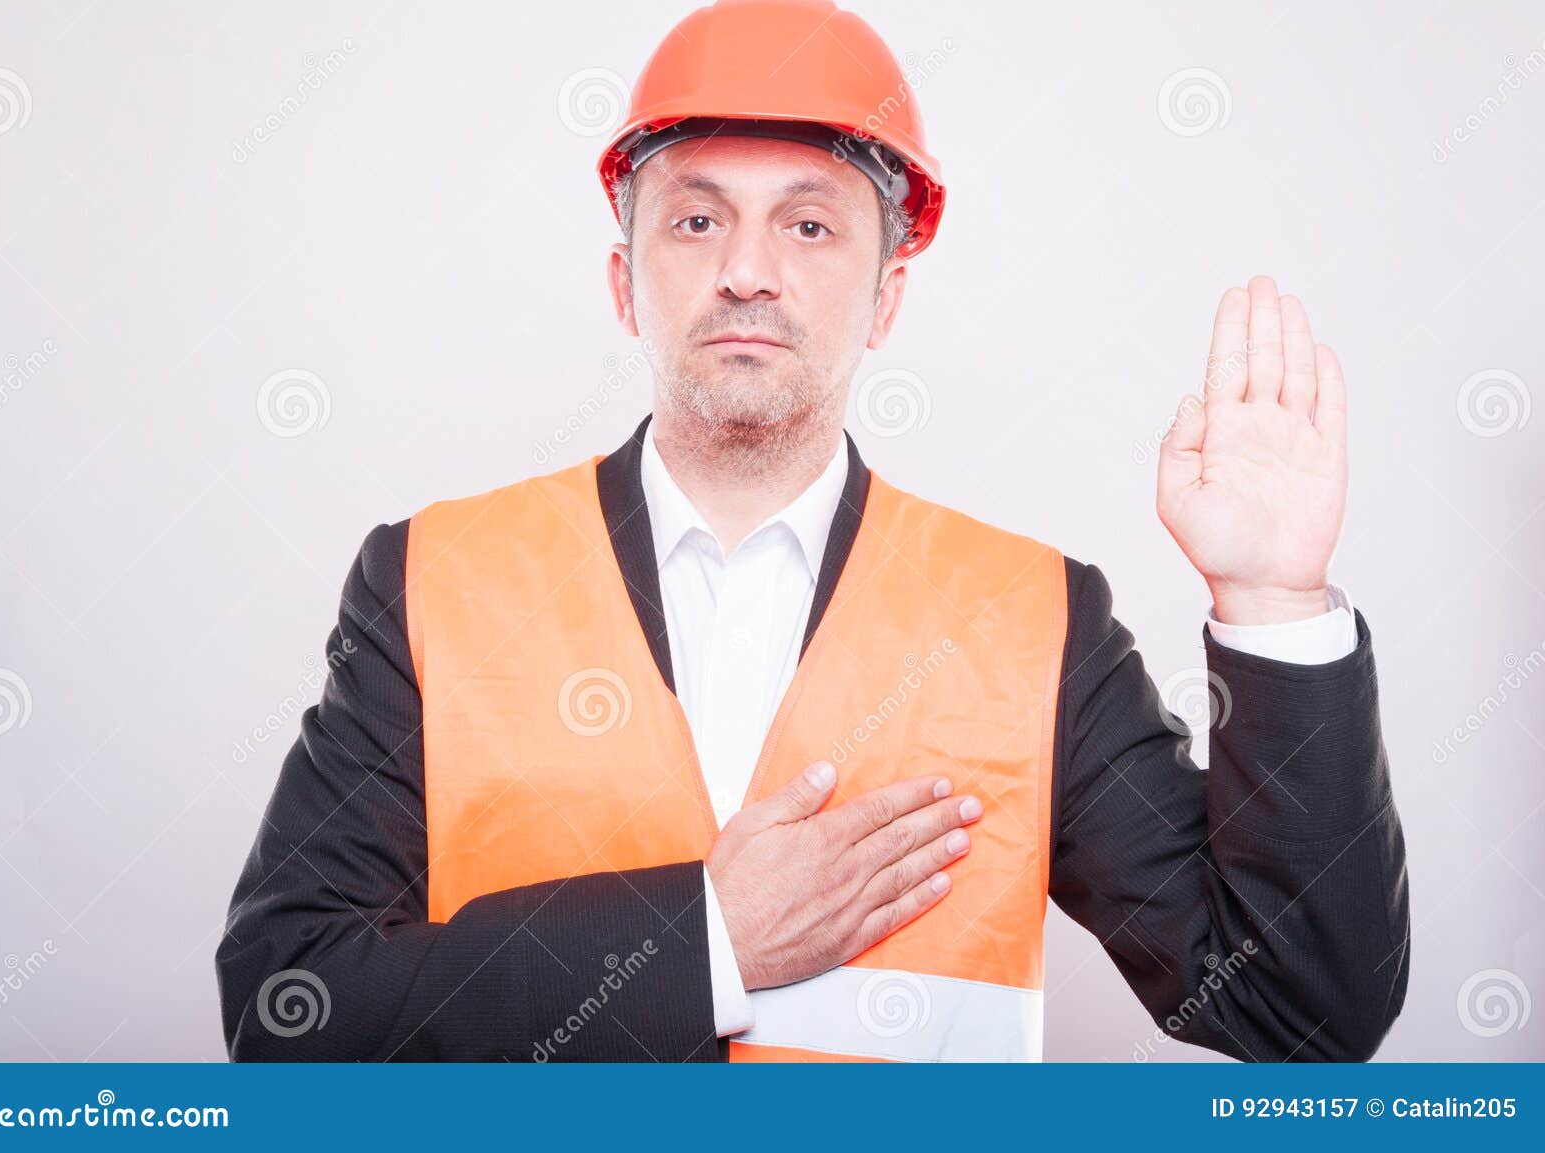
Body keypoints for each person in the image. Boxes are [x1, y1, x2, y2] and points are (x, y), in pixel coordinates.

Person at [216, 0, 1408, 1062]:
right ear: (625, 281)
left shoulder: (1030, 617)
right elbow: (285, 1005)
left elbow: (1299, 1013)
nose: (746, 271)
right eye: (694, 222)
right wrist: (707, 940)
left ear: (885, 295)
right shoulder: (432, 580)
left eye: (809, 226)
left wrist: (1273, 602)